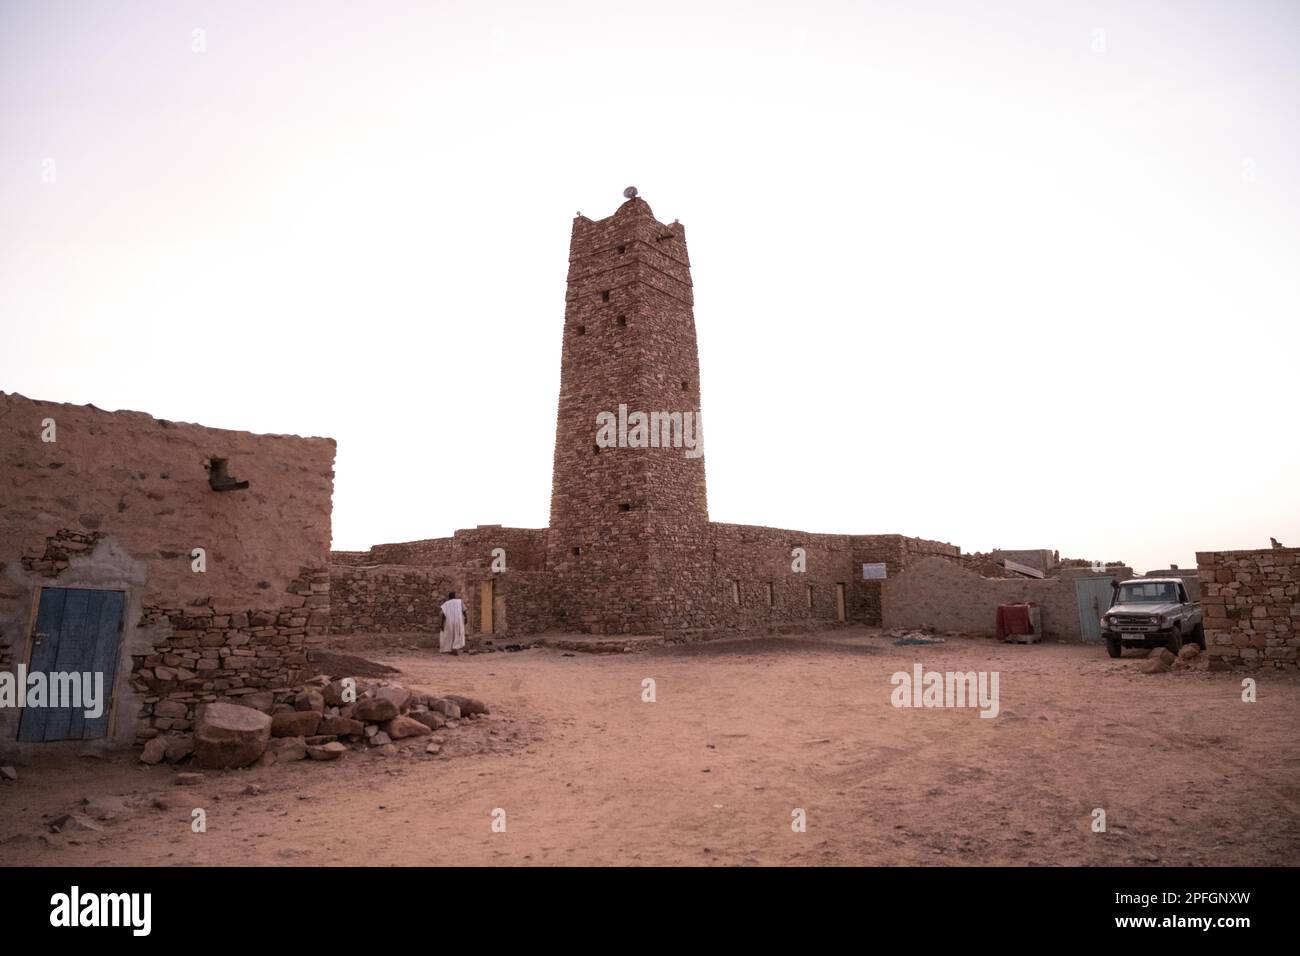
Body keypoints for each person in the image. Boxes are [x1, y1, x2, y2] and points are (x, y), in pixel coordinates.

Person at [439, 590, 467, 655]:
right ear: (454, 596)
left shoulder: (446, 604)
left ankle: (449, 648)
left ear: (449, 597)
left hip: (449, 621)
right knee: (457, 634)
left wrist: (442, 624)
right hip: (458, 621)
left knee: (449, 635)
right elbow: (464, 611)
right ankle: (455, 648)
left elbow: (443, 615)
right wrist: (466, 619)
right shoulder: (460, 601)